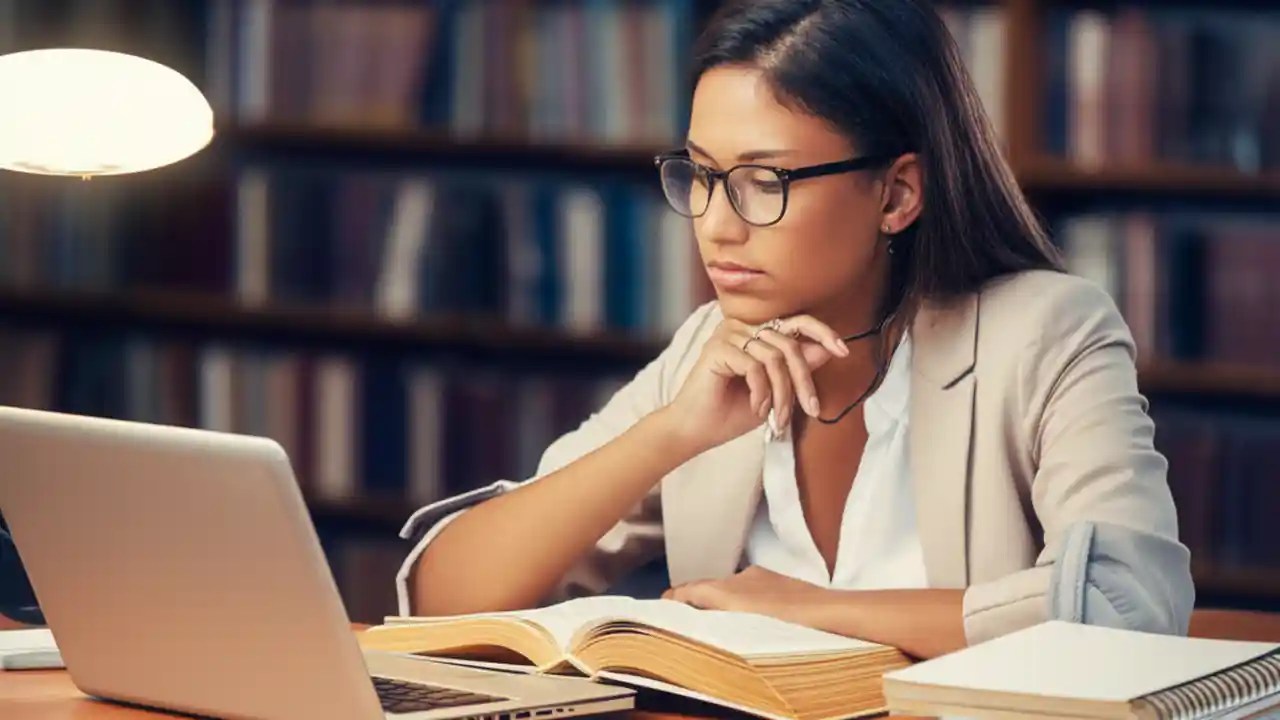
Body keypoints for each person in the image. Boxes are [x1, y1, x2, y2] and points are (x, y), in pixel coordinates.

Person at [395, 0, 1194, 659]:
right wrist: (669, 434)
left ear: (896, 195)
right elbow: (442, 597)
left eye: (762, 182)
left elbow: (1126, 604)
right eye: (703, 176)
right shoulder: (712, 351)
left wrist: (813, 610)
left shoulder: (1046, 332)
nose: (715, 225)